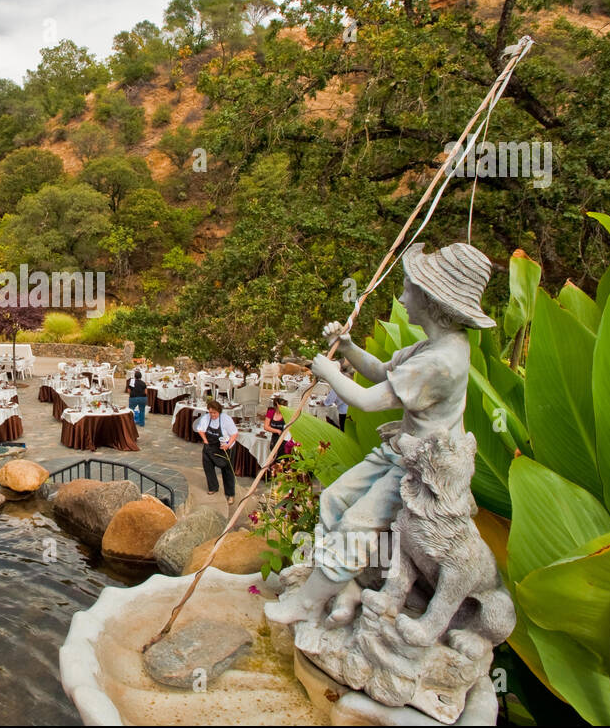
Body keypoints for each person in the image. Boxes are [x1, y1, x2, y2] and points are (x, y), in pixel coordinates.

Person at [263, 242, 496, 629]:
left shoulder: (441, 361)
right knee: (335, 498)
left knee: (359, 523)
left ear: (433, 301)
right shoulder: (433, 345)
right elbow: (378, 372)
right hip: (398, 451)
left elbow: (370, 401)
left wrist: (330, 373)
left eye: (409, 290)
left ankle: (307, 603)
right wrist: (350, 349)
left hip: (420, 470)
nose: (403, 297)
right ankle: (349, 585)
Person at [194, 399, 238, 500]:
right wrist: (205, 441)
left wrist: (227, 444)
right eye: (210, 412)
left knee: (228, 471)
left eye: (215, 413)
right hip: (210, 445)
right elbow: (200, 430)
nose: (212, 415)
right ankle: (213, 487)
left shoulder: (226, 419)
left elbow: (234, 434)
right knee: (208, 466)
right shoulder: (206, 418)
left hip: (225, 447)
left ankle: (230, 494)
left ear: (219, 411)